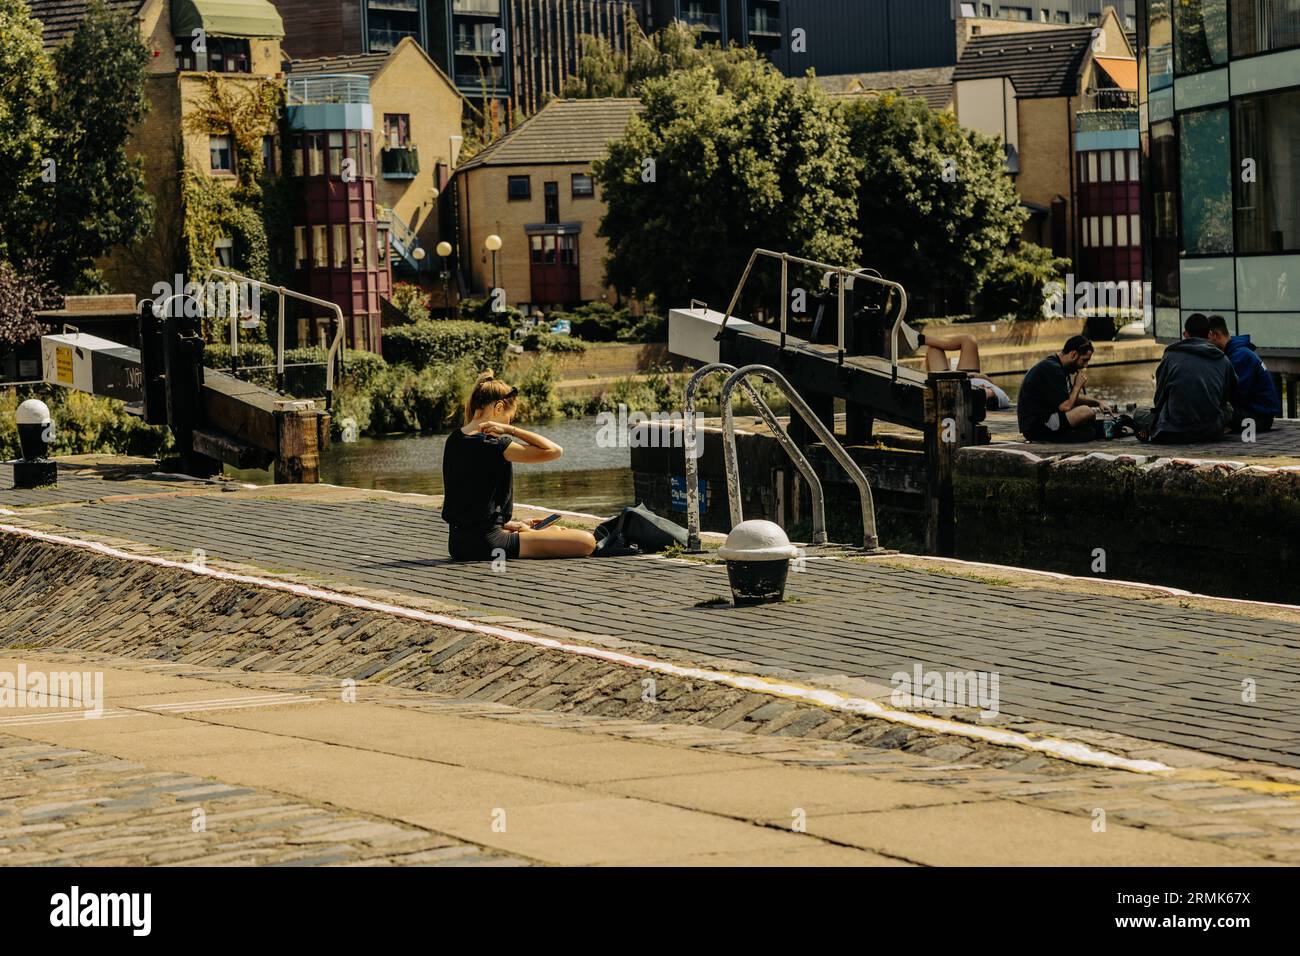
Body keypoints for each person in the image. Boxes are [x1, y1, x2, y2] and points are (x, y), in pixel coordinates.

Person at [441, 370, 596, 561]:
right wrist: (510, 431)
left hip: (458, 544)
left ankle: (534, 533)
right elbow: (555, 451)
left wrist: (510, 525)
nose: (509, 422)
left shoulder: (454, 439)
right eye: (509, 418)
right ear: (498, 408)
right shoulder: (494, 445)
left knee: (552, 532)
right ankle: (541, 535)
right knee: (587, 541)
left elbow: (472, 507)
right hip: (489, 543)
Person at [1131, 313, 1237, 443]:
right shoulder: (1223, 359)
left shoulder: (1170, 356)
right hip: (1210, 430)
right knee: (1228, 408)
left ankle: (1151, 430)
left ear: (1185, 334)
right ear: (1209, 334)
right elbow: (1228, 394)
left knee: (1139, 412)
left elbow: (1159, 399)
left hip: (1172, 431)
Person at [1016, 335, 1110, 442]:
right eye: (1084, 360)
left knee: (1088, 417)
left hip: (1045, 422)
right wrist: (1077, 386)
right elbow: (1066, 407)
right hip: (1036, 427)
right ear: (1073, 354)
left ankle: (1078, 434)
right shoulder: (1052, 369)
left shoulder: (1060, 367)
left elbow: (1070, 397)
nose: (1085, 365)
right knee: (1086, 412)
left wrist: (1098, 402)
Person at [1205, 314, 1280, 432]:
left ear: (1215, 335)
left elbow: (1235, 394)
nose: (1205, 345)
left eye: (1207, 339)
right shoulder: (1238, 353)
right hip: (1255, 413)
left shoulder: (1240, 357)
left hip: (1257, 418)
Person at [915, 330, 1012, 411]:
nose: (982, 388)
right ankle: (920, 339)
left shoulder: (968, 397)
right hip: (971, 377)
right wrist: (980, 377)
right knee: (969, 340)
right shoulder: (1002, 398)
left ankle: (918, 339)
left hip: (951, 383)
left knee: (933, 349)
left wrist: (967, 378)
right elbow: (989, 385)